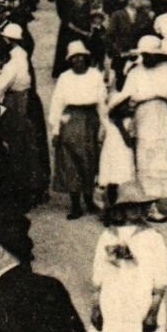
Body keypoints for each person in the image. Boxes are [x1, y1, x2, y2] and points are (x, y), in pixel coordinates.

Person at [88, 182, 167, 332]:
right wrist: (96, 305)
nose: (130, 214)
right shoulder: (106, 237)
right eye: (124, 208)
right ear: (115, 211)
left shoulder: (153, 239)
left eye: (137, 208)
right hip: (113, 305)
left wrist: (153, 311)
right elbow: (98, 274)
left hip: (139, 304)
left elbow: (160, 278)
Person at [109, 35, 167, 223]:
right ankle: (141, 201)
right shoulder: (135, 72)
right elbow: (126, 96)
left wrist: (157, 94)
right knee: (142, 158)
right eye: (145, 55)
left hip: (161, 116)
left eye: (151, 55)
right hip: (142, 118)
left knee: (159, 158)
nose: (148, 58)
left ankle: (153, 204)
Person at [0, 22, 48, 209]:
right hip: (24, 100)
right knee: (27, 145)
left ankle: (22, 192)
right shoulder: (21, 54)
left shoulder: (13, 61)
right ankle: (34, 188)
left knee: (16, 147)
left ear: (8, 40)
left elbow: (2, 87)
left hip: (15, 102)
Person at [48, 41, 108, 220]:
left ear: (86, 58)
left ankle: (89, 200)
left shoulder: (95, 75)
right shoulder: (65, 77)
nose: (78, 60)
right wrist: (56, 130)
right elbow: (57, 103)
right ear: (70, 60)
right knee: (70, 161)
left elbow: (101, 102)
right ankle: (75, 204)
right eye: (74, 57)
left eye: (81, 57)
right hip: (71, 119)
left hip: (90, 119)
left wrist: (105, 126)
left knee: (89, 159)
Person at [105, 0, 155, 90]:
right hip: (121, 55)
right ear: (129, 1)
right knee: (121, 84)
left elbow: (149, 34)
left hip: (138, 55)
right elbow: (109, 36)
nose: (139, 2)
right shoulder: (117, 15)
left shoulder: (144, 16)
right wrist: (117, 51)